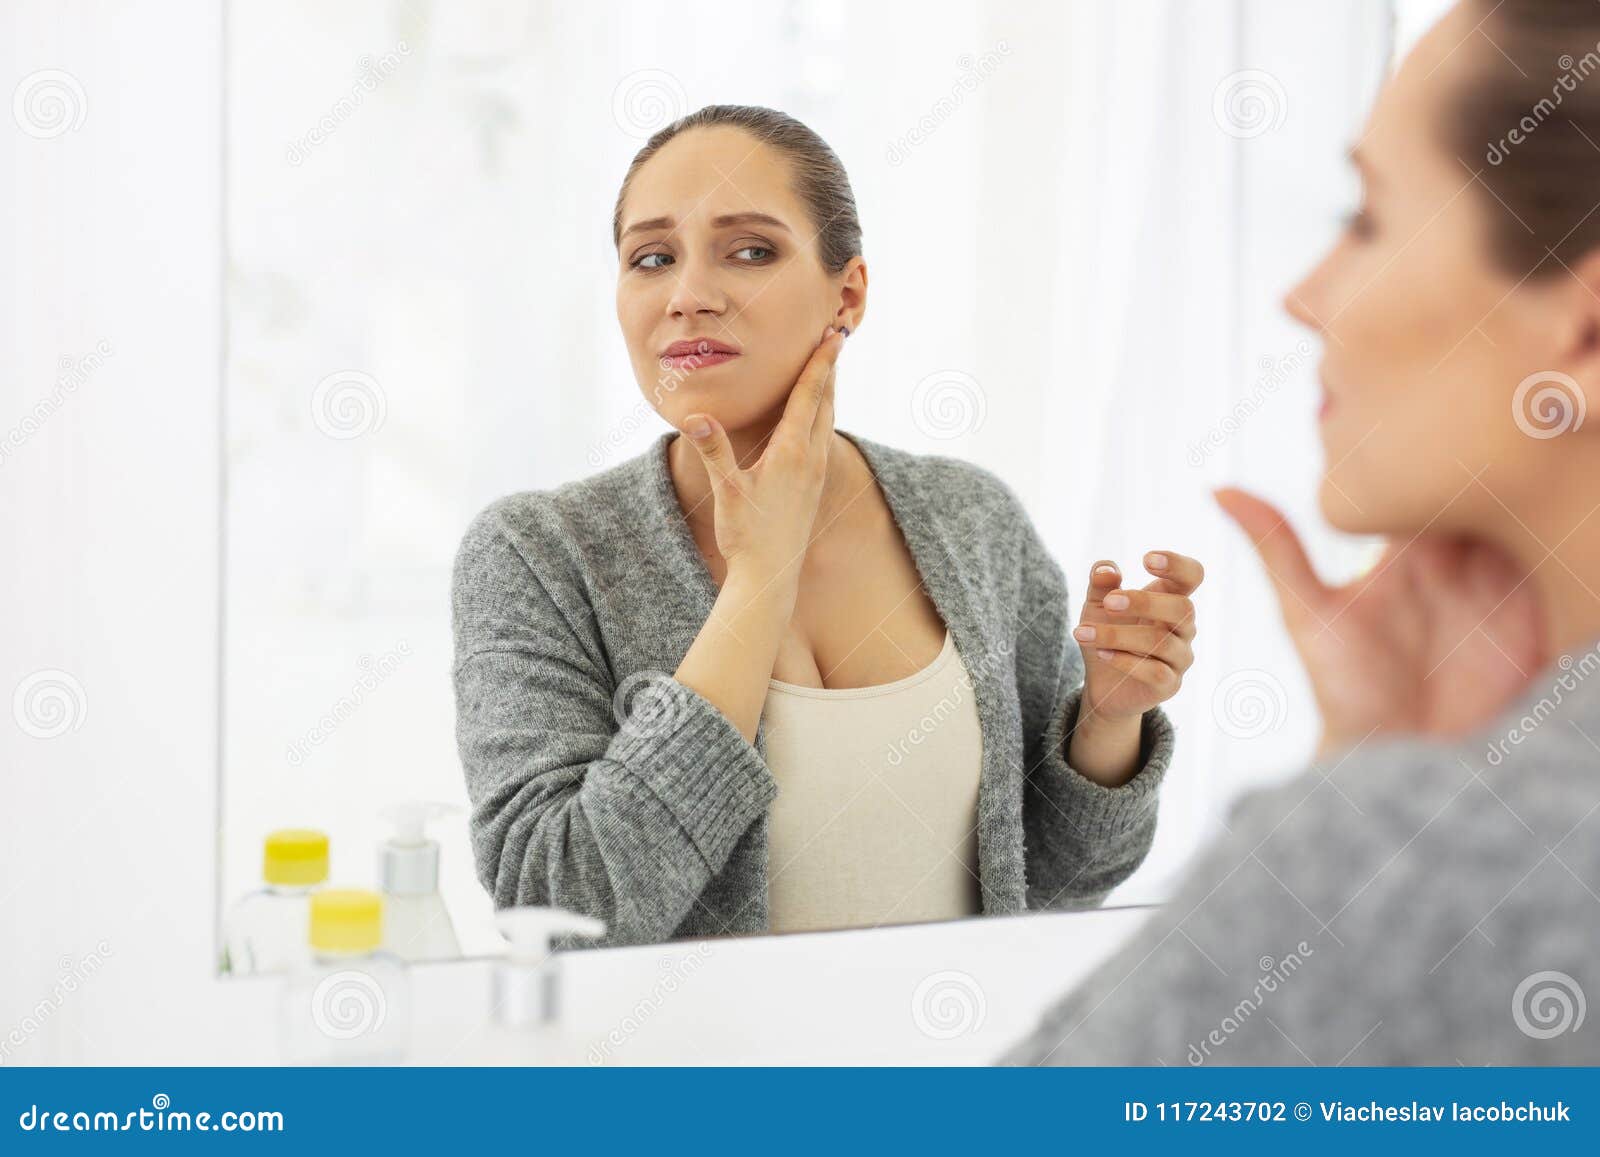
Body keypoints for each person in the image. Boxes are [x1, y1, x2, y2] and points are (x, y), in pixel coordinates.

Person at [1000, 0, 1600, 1065]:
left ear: (1584, 329)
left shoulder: (1416, 864)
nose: (1302, 298)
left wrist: (1376, 795)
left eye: (1364, 216)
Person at [451, 105, 1204, 949]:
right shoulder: (539, 553)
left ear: (847, 293)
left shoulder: (973, 520)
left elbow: (1060, 882)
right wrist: (758, 580)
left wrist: (1108, 720)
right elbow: (561, 910)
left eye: (750, 251)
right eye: (652, 258)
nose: (690, 296)